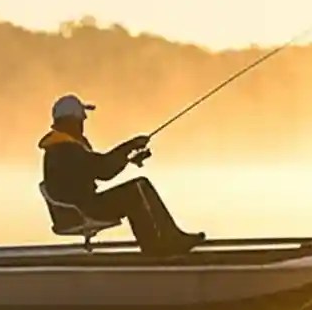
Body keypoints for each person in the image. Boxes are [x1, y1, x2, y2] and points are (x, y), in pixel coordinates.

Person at [38, 94, 205, 256]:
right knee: (136, 191)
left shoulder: (61, 146)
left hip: (81, 206)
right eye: (81, 118)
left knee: (139, 186)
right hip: (84, 210)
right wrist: (129, 147)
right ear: (71, 120)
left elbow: (97, 167)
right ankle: (156, 245)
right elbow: (104, 170)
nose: (84, 122)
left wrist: (127, 158)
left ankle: (167, 238)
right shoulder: (66, 149)